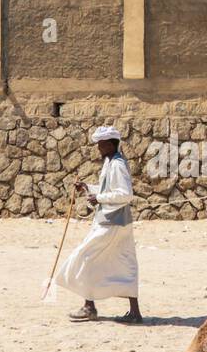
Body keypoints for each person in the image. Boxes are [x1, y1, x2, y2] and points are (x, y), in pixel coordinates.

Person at [54, 125, 143, 323]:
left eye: (102, 145)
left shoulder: (118, 164)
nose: (99, 148)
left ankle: (89, 307)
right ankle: (134, 313)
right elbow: (108, 189)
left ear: (112, 144)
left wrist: (100, 198)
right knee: (125, 262)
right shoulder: (110, 162)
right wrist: (88, 188)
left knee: (85, 256)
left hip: (111, 222)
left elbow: (125, 194)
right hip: (117, 221)